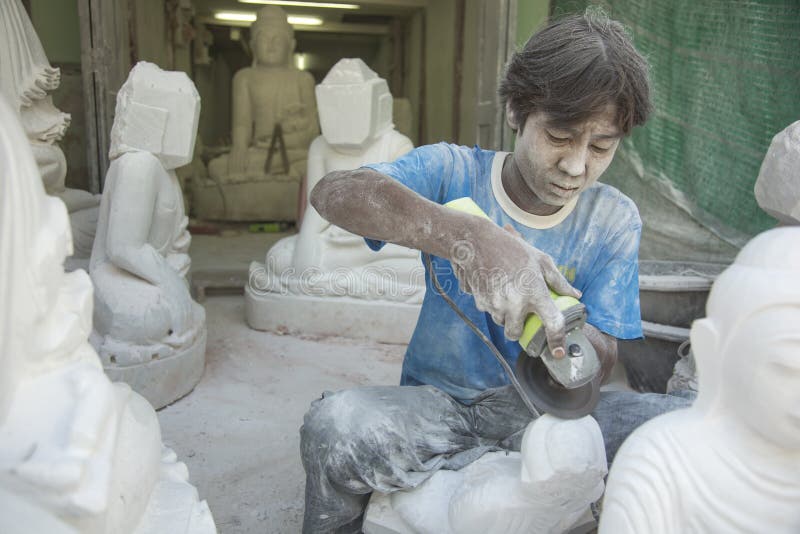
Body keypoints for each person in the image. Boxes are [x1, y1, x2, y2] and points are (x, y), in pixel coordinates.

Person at [300, 11, 691, 533]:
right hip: (438, 410)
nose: (577, 166)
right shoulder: (450, 171)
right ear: (516, 111)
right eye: (560, 136)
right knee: (334, 428)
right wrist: (468, 240)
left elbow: (605, 352)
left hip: (544, 413)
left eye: (601, 147)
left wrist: (566, 345)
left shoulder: (613, 219)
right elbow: (334, 193)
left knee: (675, 433)